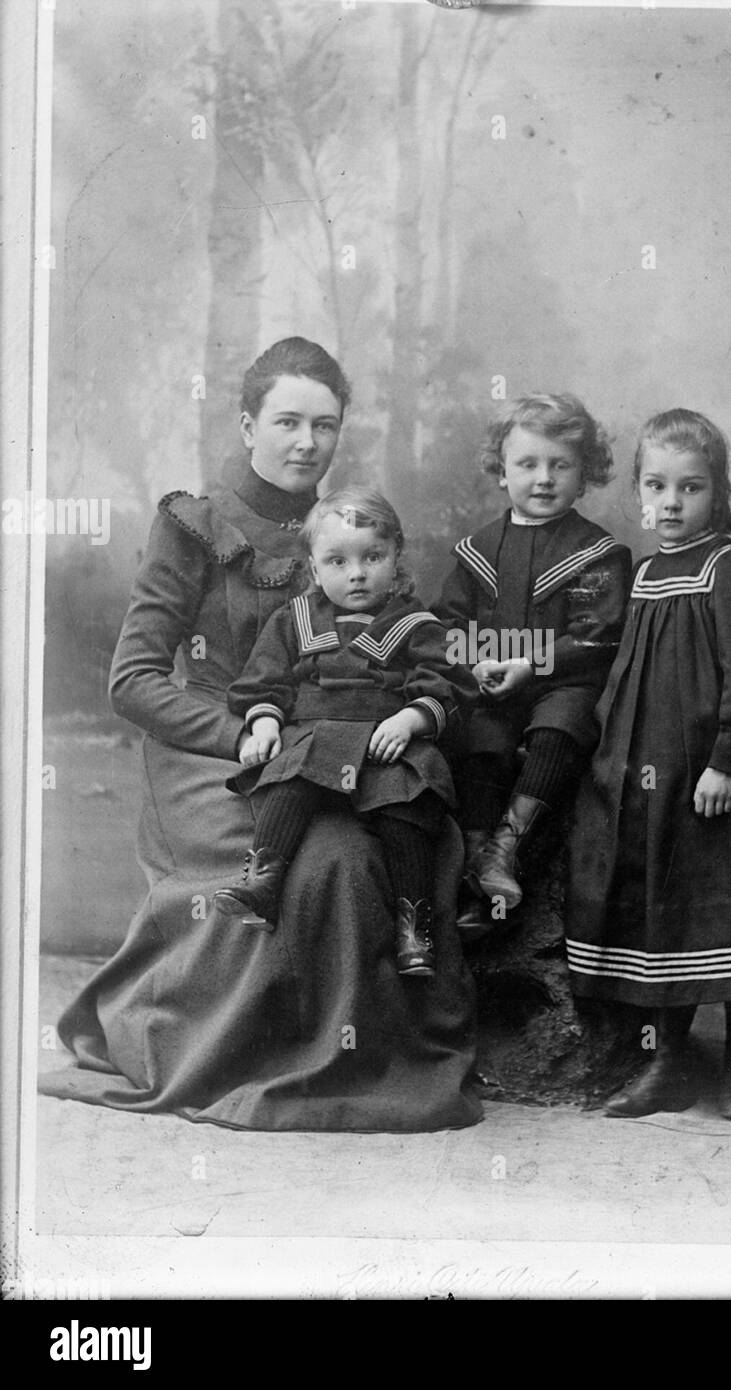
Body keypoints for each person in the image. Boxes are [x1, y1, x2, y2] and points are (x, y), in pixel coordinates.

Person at [39, 338, 482, 1132]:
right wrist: (249, 732)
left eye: (324, 426)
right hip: (208, 753)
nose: (306, 444)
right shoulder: (195, 525)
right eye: (286, 422)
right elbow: (132, 681)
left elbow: (414, 654)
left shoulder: (352, 538)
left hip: (328, 753)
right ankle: (230, 1050)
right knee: (302, 869)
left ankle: (349, 1061)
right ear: (247, 425)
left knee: (354, 856)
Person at [565, 408, 731, 1122]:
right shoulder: (649, 572)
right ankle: (668, 1066)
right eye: (656, 486)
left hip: (723, 785)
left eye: (690, 487)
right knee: (671, 921)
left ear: (718, 493)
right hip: (657, 781)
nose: (671, 503)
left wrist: (725, 761)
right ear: (637, 491)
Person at [214, 488, 478, 977]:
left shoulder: (418, 624)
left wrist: (411, 719)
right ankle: (262, 882)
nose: (357, 573)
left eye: (372, 556)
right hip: (316, 738)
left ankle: (413, 930)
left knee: (408, 809)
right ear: (314, 569)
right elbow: (264, 680)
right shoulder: (292, 621)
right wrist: (266, 722)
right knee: (288, 780)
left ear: (396, 557)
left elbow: (449, 682)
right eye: (337, 561)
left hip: (386, 743)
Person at [433, 393, 631, 937]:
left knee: (559, 725)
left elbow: (596, 638)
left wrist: (529, 664)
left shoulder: (596, 552)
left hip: (560, 684)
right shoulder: (477, 550)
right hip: (492, 683)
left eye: (560, 465)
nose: (543, 478)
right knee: (479, 738)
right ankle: (476, 857)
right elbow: (446, 625)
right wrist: (472, 663)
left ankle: (506, 846)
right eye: (527, 464)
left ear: (584, 472)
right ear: (502, 471)